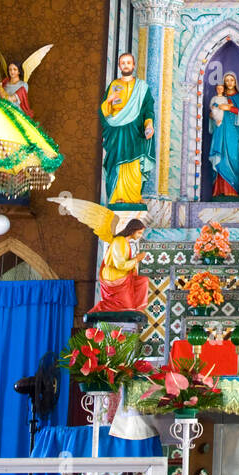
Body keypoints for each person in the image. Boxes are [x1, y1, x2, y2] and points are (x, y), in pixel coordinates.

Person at [99, 52, 155, 205]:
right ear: (119, 66)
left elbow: (148, 108)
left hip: (135, 131)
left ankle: (134, 198)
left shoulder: (142, 87)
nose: (125, 65)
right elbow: (103, 112)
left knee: (134, 165)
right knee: (117, 162)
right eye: (122, 62)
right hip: (117, 131)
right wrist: (108, 102)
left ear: (133, 65)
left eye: (128, 62)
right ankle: (117, 197)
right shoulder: (113, 85)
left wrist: (149, 124)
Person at [93, 218, 150, 313]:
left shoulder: (125, 242)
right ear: (132, 231)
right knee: (126, 307)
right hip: (114, 278)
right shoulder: (119, 242)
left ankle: (136, 308)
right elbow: (120, 265)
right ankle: (102, 309)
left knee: (143, 281)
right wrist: (137, 259)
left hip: (123, 277)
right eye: (139, 233)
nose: (140, 236)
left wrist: (135, 261)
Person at [208, 72, 239, 199]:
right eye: (227, 80)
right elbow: (214, 113)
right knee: (220, 158)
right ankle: (219, 191)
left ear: (235, 82)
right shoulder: (220, 98)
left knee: (234, 157)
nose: (229, 83)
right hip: (221, 133)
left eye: (232, 80)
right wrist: (212, 116)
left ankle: (234, 191)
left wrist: (229, 109)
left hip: (235, 134)